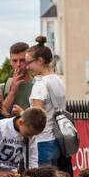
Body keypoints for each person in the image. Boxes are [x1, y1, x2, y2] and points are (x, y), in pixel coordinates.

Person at [25, 37, 66, 169]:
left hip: (42, 140)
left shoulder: (40, 84)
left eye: (29, 62)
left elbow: (37, 117)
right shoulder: (58, 81)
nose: (27, 67)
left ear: (40, 61)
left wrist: (21, 113)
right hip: (56, 141)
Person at [0, 42, 34, 118]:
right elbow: (1, 116)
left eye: (22, 60)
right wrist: (13, 91)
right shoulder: (3, 88)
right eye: (14, 61)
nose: (18, 64)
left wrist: (22, 114)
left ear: (29, 60)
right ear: (10, 62)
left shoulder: (38, 85)